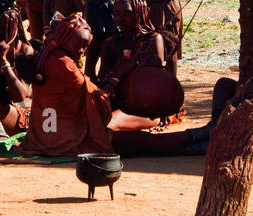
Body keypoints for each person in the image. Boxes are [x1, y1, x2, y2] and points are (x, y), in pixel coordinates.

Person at [19, 15, 217, 158]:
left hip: (48, 137)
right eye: (80, 46)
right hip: (68, 141)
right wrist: (118, 76)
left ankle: (200, 141)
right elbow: (96, 103)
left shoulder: (49, 56)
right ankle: (204, 136)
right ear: (65, 39)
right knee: (145, 142)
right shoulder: (65, 66)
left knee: (139, 139)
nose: (83, 51)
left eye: (86, 46)